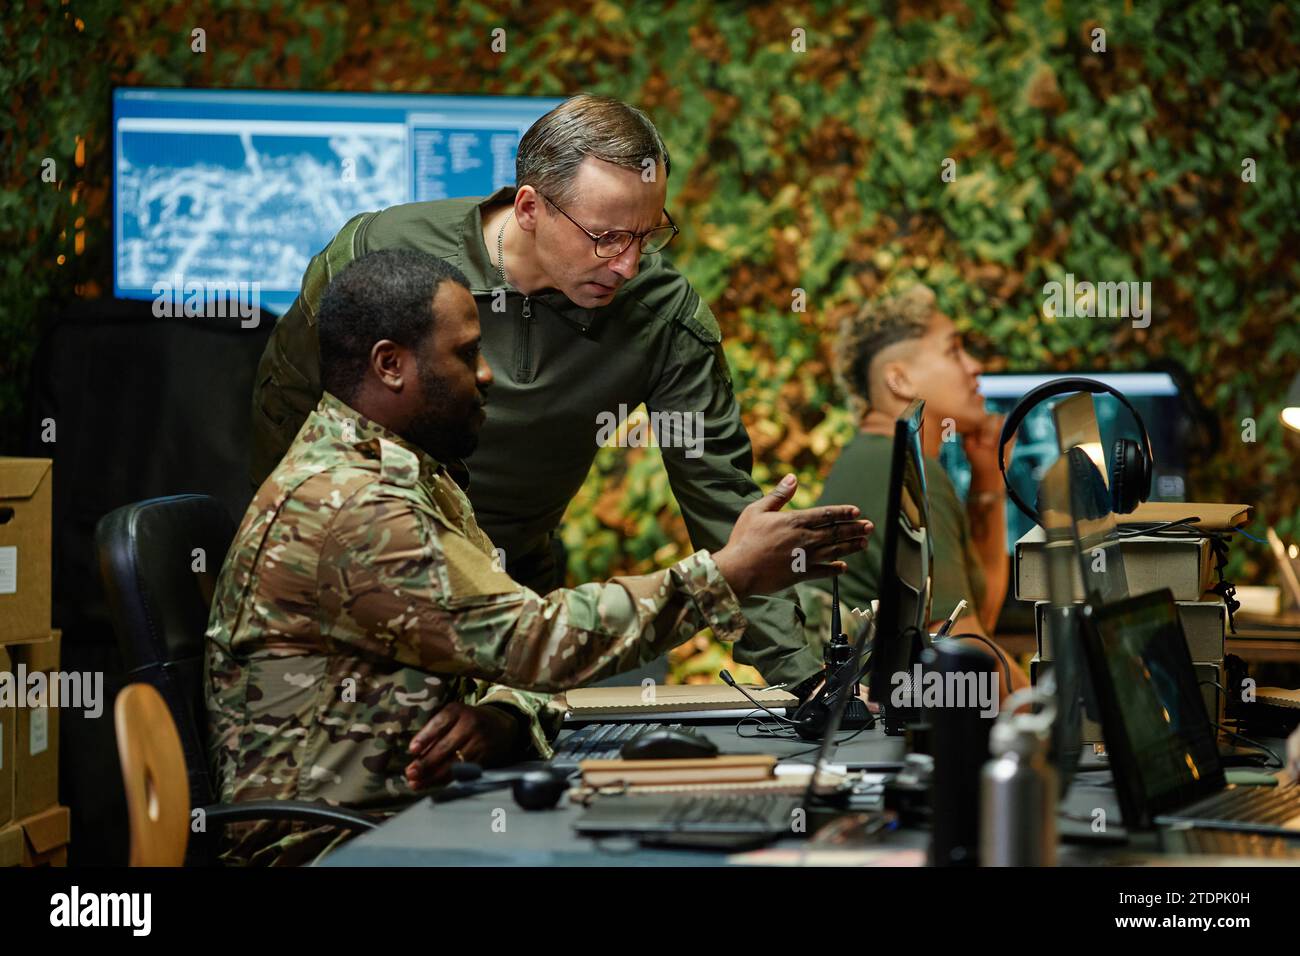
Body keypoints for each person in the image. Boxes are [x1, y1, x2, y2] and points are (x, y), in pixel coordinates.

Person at [206, 249, 871, 865]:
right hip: (333, 848)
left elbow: (494, 649)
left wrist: (502, 717)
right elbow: (533, 641)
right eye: (466, 355)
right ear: (390, 365)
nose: (488, 375)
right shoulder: (353, 506)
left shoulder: (401, 472)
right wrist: (725, 575)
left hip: (411, 815)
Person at [249, 94, 826, 698]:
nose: (627, 266)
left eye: (647, 236)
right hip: (370, 578)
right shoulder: (380, 258)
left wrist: (804, 676)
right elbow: (286, 430)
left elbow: (720, 495)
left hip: (516, 596)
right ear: (529, 207)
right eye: (605, 237)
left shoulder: (659, 317)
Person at [807, 284, 1027, 692]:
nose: (975, 366)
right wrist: (1066, 718)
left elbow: (975, 618)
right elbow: (963, 658)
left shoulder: (879, 455)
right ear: (900, 379)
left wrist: (988, 483)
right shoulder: (899, 468)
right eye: (954, 351)